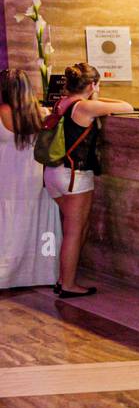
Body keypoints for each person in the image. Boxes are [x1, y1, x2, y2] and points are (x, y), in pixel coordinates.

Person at [43, 63, 134, 298]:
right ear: (92, 85)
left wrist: (96, 95)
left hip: (53, 173)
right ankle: (68, 285)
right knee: (75, 230)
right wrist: (99, 96)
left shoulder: (62, 103)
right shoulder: (84, 107)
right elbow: (127, 107)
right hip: (75, 175)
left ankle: (64, 279)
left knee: (73, 229)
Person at [0, 69, 60, 289]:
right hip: (34, 179)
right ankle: (40, 274)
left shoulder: (1, 112)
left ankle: (6, 273)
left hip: (6, 179)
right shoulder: (41, 113)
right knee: (35, 224)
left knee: (7, 227)